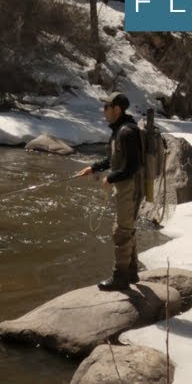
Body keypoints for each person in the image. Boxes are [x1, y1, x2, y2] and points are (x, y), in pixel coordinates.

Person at [73, 92, 144, 291]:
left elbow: (132, 167)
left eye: (106, 107)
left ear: (117, 109)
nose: (103, 111)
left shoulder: (127, 132)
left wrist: (110, 178)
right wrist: (93, 168)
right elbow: (113, 160)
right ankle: (131, 271)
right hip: (125, 188)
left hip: (130, 189)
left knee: (121, 232)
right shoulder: (118, 130)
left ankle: (120, 277)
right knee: (127, 228)